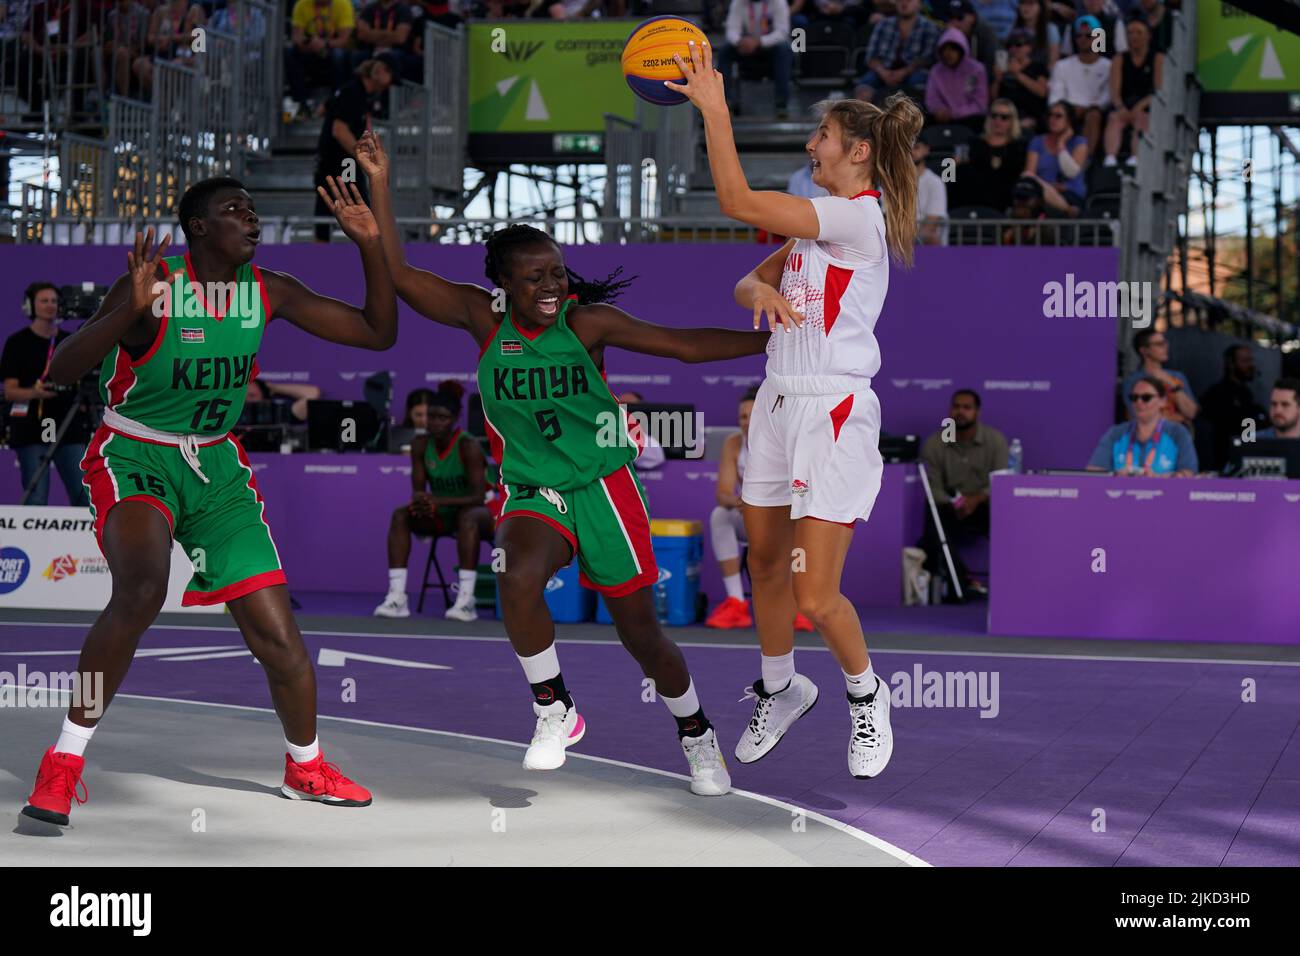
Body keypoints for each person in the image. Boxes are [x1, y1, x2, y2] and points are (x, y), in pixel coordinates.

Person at [359, 127, 767, 796]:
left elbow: (684, 346)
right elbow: (401, 277)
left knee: (643, 637)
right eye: (534, 278)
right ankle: (554, 707)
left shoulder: (587, 323)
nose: (551, 286)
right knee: (517, 575)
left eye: (556, 272)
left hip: (605, 485)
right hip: (532, 487)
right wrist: (379, 185)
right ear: (502, 285)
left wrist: (769, 341)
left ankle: (696, 734)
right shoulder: (483, 320)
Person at [19, 175, 397, 827]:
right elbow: (60, 371)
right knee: (139, 592)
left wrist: (370, 244)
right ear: (198, 227)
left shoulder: (268, 290)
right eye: (234, 211)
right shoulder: (153, 285)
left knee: (281, 640)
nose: (251, 219)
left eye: (253, 210)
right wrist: (122, 312)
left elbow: (377, 333)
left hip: (217, 465)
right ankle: (63, 761)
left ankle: (304, 767)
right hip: (136, 453)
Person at [668, 40, 921, 778]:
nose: (811, 145)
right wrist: (763, 292)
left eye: (822, 137)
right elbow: (747, 281)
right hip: (778, 404)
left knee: (816, 593)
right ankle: (781, 689)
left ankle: (867, 695)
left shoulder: (857, 220)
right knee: (767, 564)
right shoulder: (817, 229)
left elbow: (737, 202)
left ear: (860, 153)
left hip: (833, 412)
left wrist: (714, 109)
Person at [375, 380, 496, 621]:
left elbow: (478, 496)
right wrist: (420, 502)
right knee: (401, 515)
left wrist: (436, 500)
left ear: (455, 418)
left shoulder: (467, 446)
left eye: (442, 418)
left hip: (482, 514)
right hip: (446, 512)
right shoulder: (421, 444)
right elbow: (419, 490)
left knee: (468, 517)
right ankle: (397, 597)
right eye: (431, 417)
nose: (435, 423)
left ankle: (465, 600)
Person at [705, 387, 818, 630]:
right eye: (742, 417)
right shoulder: (733, 444)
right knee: (719, 516)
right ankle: (736, 603)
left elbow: (802, 489)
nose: (747, 422)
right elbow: (723, 493)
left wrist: (767, 506)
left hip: (785, 521)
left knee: (802, 521)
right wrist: (746, 502)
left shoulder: (788, 440)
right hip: (752, 519)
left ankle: (799, 604)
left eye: (753, 415)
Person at [1, 282, 92, 506]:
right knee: (36, 496)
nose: (50, 306)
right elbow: (10, 391)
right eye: (44, 301)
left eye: (54, 301)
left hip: (68, 428)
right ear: (29, 306)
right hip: (31, 429)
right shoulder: (17, 343)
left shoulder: (71, 341)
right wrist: (34, 392)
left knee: (84, 495)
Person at [917, 389, 1006, 598]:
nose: (960, 412)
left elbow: (1001, 481)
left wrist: (977, 499)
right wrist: (954, 503)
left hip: (985, 505)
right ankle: (963, 583)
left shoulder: (995, 441)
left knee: (1008, 517)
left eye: (967, 408)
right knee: (933, 524)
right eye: (956, 407)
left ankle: (1012, 583)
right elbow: (933, 487)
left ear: (977, 412)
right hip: (951, 508)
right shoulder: (937, 443)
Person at [313, 58, 394, 243]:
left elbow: (323, 109)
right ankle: (373, 252)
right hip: (340, 162)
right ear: (379, 71)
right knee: (357, 209)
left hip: (337, 161)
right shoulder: (354, 93)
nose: (390, 84)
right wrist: (360, 155)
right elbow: (339, 129)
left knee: (327, 213)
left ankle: (324, 252)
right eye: (389, 74)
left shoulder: (354, 91)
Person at [1087, 375, 1197, 476]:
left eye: (1146, 397)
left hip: (1166, 496)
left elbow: (1188, 473)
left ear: (1163, 401)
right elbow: (1093, 472)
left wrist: (1158, 479)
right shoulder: (1115, 433)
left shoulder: (1178, 433)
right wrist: (1115, 475)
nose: (1139, 402)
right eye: (1134, 398)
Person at [715, 0, 794, 118]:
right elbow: (731, 31)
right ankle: (726, 103)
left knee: (784, 48)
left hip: (769, 48)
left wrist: (759, 42)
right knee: (725, 51)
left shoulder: (778, 2)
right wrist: (739, 42)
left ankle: (781, 104)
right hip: (745, 48)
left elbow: (782, 32)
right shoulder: (738, 3)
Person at [854, 0, 941, 104]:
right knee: (864, 87)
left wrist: (904, 72)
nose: (904, 3)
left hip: (913, 72)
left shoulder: (929, 27)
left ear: (919, 4)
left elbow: (927, 58)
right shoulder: (883, 24)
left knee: (919, 82)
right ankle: (864, 118)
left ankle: (913, 118)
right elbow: (871, 56)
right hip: (883, 70)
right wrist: (883, 72)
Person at [1102, 16, 1160, 167]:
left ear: (1148, 35)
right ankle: (1110, 158)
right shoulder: (1119, 59)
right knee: (1114, 118)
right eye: (1130, 32)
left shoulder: (1157, 58)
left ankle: (1136, 157)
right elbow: (1114, 90)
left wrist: (1140, 106)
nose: (1134, 36)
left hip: (1146, 103)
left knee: (1142, 118)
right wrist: (1121, 107)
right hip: (1125, 103)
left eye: (1138, 32)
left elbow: (1158, 89)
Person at [1047, 15, 1111, 154]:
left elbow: (1108, 94)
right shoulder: (1062, 65)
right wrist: (1069, 108)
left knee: (1093, 116)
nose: (1083, 39)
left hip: (1093, 111)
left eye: (1089, 35)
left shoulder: (1108, 66)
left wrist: (1093, 106)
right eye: (1079, 36)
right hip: (1068, 110)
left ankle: (1084, 160)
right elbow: (1055, 95)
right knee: (1058, 114)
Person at [1198, 344, 1266, 471]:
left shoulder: (1248, 393)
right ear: (1231, 363)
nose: (1250, 365)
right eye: (1245, 361)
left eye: (1251, 360)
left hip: (1247, 456)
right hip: (1222, 461)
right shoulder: (1216, 393)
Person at [286, 0, 356, 119]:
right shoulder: (302, 4)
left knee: (339, 55)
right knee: (290, 52)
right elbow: (296, 37)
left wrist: (324, 44)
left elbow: (344, 40)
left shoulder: (343, 4)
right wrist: (309, 43)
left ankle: (337, 101)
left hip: (334, 49)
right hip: (310, 49)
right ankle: (301, 103)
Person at [953, 99, 1028, 211]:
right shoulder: (973, 142)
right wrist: (951, 164)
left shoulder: (1020, 146)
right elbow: (946, 173)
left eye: (1004, 117)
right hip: (972, 201)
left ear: (1013, 120)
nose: (998, 120)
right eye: (994, 116)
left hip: (1006, 204)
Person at [1023, 101, 1089, 215]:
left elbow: (1071, 173)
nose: (1052, 119)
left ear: (1069, 120)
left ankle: (1066, 208)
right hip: (1042, 193)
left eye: (1058, 116)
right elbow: (1030, 174)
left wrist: (1061, 144)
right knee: (1027, 179)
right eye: (1050, 115)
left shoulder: (1079, 142)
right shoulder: (1037, 141)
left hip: (1070, 194)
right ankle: (1067, 209)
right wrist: (1049, 187)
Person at [1119, 329, 1197, 425]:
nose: (1165, 347)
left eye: (1165, 343)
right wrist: (1180, 418)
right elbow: (1138, 417)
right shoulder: (1133, 380)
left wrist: (1171, 383)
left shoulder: (1177, 376)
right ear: (1144, 350)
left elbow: (1192, 413)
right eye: (1159, 344)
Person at [924, 26, 989, 132]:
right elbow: (932, 98)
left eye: (953, 49)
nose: (948, 54)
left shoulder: (977, 69)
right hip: (942, 117)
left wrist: (955, 113)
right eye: (945, 49)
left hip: (969, 118)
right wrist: (939, 110)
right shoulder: (936, 70)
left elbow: (980, 104)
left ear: (962, 50)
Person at [992, 30, 1049, 131]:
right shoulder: (1003, 68)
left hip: (1030, 117)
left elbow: (1042, 91)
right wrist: (997, 80)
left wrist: (1018, 74)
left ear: (1029, 47)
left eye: (1018, 45)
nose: (1013, 49)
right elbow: (994, 98)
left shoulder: (1038, 67)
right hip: (1005, 117)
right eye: (1010, 45)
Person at [914, 139, 948, 245]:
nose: (911, 151)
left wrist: (911, 238)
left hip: (922, 237)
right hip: (897, 236)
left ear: (926, 149)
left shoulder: (935, 182)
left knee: (930, 237)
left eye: (916, 147)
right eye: (906, 147)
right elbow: (886, 216)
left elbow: (932, 221)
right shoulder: (891, 182)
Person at [245, 376, 321, 422]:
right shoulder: (233, 416)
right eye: (242, 396)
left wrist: (272, 388)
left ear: (265, 397)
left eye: (252, 395)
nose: (246, 399)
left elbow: (313, 393)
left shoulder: (277, 413)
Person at [1013, 0, 1059, 69]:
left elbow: (1053, 62)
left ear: (1040, 7)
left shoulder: (1050, 29)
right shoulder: (1014, 29)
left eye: (1031, 3)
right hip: (1016, 73)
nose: (1026, 7)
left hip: (1042, 75)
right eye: (1023, 3)